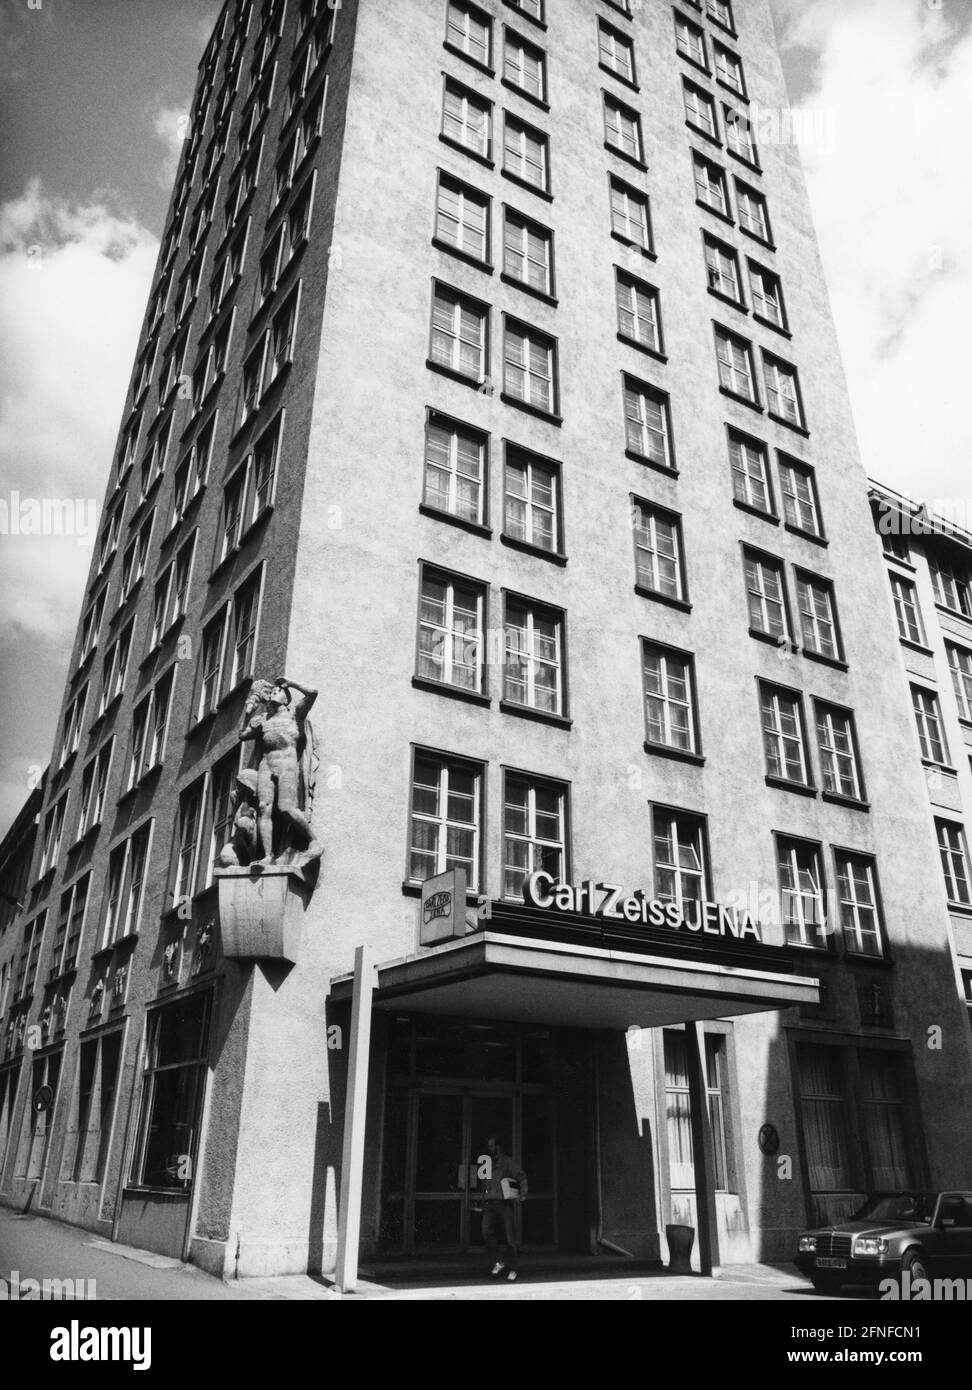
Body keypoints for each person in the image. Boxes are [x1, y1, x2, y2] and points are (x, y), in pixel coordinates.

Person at [479, 1135, 528, 1281]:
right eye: (488, 1147)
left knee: (509, 1237)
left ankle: (513, 1268)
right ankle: (499, 1261)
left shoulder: (507, 1162)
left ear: (498, 1147)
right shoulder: (486, 1164)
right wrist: (483, 1202)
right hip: (489, 1204)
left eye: (492, 1146)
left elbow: (520, 1175)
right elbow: (484, 1185)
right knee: (486, 1232)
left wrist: (523, 1192)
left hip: (504, 1204)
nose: (489, 1149)